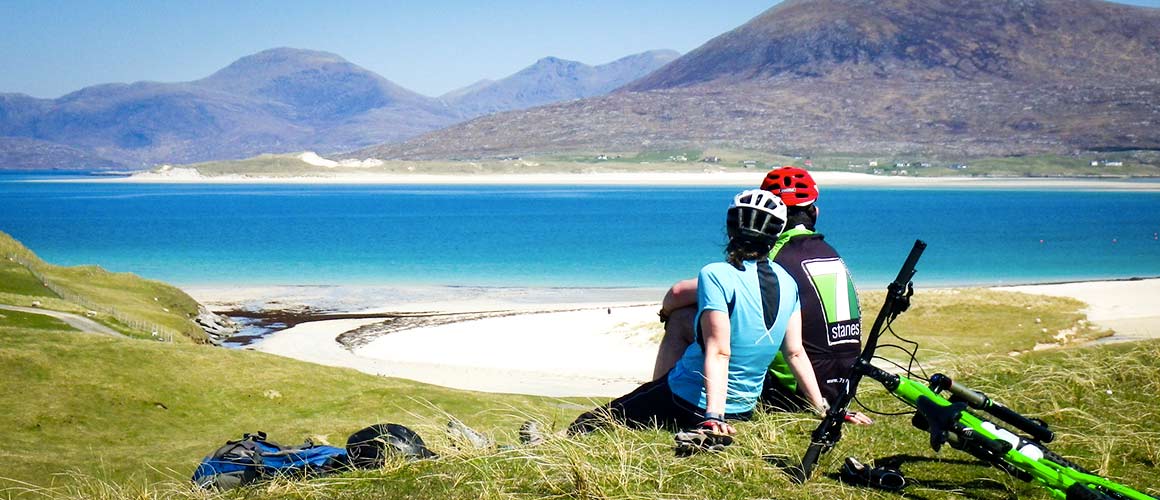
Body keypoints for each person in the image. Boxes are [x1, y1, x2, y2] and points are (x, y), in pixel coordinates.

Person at [567, 189, 828, 438]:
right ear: (775, 235)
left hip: (690, 399)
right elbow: (795, 352)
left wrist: (713, 416)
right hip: (745, 408)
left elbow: (719, 350)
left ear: (731, 228)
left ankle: (555, 439)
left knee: (602, 417)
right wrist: (821, 408)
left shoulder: (716, 274)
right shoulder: (788, 281)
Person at [653, 167, 871, 425]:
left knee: (682, 318)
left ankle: (660, 398)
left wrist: (666, 313)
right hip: (842, 386)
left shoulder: (774, 255)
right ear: (815, 211)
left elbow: (680, 292)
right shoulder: (829, 252)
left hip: (792, 390)